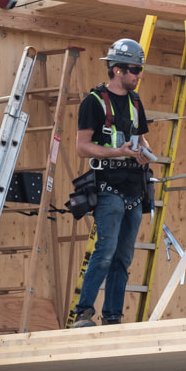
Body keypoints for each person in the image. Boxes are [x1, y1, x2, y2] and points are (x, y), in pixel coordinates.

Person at [70, 38, 157, 328]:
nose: (138, 75)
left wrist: (145, 153)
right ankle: (83, 313)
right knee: (105, 251)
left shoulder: (135, 102)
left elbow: (142, 137)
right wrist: (117, 152)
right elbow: (82, 147)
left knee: (123, 257)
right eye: (134, 69)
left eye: (140, 70)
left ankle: (112, 318)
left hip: (134, 188)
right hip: (108, 187)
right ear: (117, 70)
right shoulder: (93, 102)